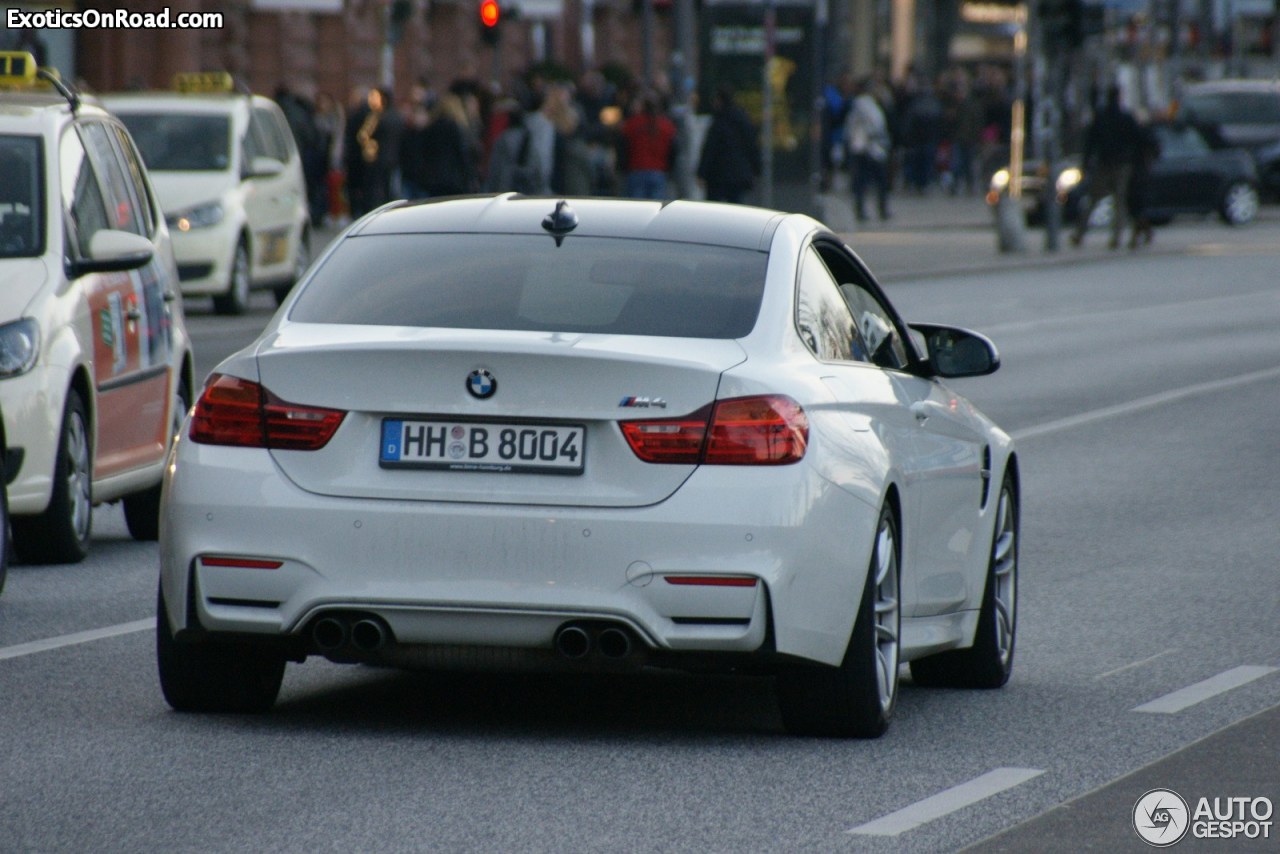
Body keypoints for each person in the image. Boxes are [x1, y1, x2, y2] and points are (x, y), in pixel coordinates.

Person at [1072, 85, 1141, 250]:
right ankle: (1116, 237)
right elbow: (1137, 139)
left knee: (1093, 199)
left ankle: (1080, 233)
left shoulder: (1101, 118)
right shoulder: (1125, 118)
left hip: (1104, 163)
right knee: (1120, 201)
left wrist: (1086, 163)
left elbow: (1090, 142)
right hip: (1121, 163)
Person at [696, 87, 759, 204]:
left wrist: (701, 173)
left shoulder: (718, 122)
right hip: (738, 174)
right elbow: (752, 146)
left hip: (718, 175)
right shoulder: (743, 120)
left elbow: (710, 149)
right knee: (736, 205)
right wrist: (756, 169)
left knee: (713, 206)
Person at [845, 77, 892, 222]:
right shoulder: (864, 104)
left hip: (865, 147)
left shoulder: (867, 104)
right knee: (874, 181)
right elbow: (874, 125)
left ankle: (870, 210)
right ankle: (873, 210)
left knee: (866, 181)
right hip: (867, 148)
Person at [620, 91, 677, 200]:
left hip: (636, 170)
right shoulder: (667, 126)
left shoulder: (632, 124)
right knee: (657, 204)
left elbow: (624, 148)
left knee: (637, 204)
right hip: (659, 171)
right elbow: (673, 151)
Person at [1128, 118, 1160, 249]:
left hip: (1138, 173)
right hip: (1139, 172)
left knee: (1136, 204)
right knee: (1136, 205)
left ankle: (1137, 235)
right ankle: (1145, 231)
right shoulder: (1145, 136)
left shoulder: (1140, 136)